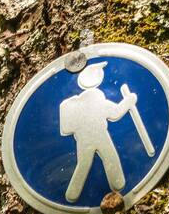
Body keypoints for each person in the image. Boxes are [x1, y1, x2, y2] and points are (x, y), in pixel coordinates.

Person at [59, 62, 137, 202]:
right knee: (110, 157)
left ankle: (72, 194)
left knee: (83, 164)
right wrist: (129, 101)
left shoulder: (76, 104)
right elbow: (116, 112)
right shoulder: (98, 101)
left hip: (83, 139)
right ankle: (118, 183)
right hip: (100, 135)